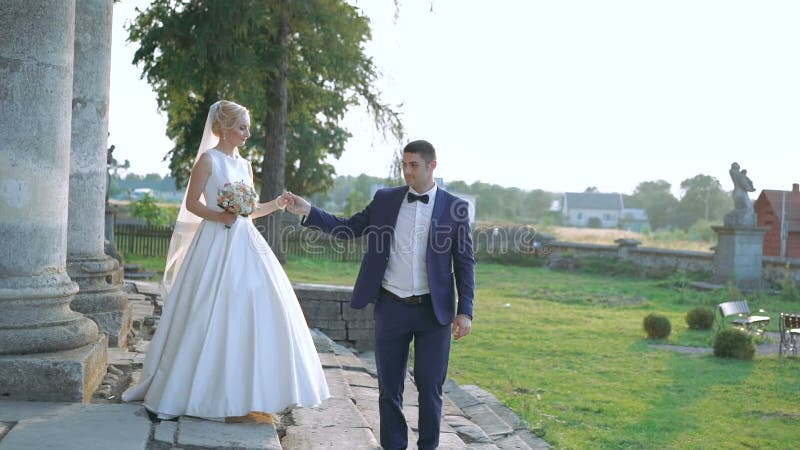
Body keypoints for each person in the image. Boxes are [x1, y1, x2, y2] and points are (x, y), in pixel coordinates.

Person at [122, 100, 329, 422]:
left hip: (245, 240)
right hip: (216, 241)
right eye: (243, 127)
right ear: (225, 128)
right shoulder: (208, 160)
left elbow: (250, 210)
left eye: (248, 127)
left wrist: (276, 204)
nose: (248, 133)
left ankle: (255, 390)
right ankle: (197, 390)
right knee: (208, 307)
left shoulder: (245, 166)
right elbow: (191, 204)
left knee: (260, 302)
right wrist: (220, 215)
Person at [283, 140, 475, 449]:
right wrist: (309, 211)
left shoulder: (456, 207)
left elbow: (464, 261)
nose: (407, 171)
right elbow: (348, 228)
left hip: (434, 312)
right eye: (404, 164)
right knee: (389, 389)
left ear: (432, 166)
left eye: (414, 165)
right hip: (392, 307)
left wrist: (465, 310)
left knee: (430, 387)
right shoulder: (385, 200)